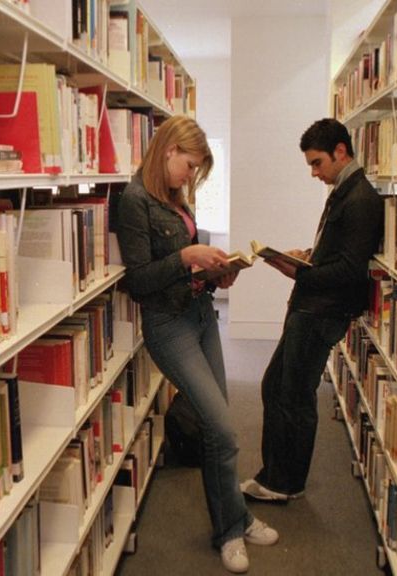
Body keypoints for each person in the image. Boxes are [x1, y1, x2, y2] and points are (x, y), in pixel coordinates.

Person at [116, 115, 279, 573]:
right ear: (168, 150)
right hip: (169, 325)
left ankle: (236, 518)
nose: (190, 176)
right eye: (189, 165)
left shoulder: (174, 196)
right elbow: (138, 279)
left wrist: (214, 274)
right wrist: (185, 256)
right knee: (223, 429)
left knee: (216, 429)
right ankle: (230, 531)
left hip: (201, 313)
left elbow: (183, 266)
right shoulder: (134, 201)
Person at [241, 118, 384, 502]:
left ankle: (285, 483)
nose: (314, 172)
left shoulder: (362, 199)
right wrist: (307, 257)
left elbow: (351, 270)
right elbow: (338, 254)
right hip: (310, 306)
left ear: (341, 151)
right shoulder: (344, 190)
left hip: (322, 312)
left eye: (317, 163)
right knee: (276, 386)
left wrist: (301, 272)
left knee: (295, 396)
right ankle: (274, 475)